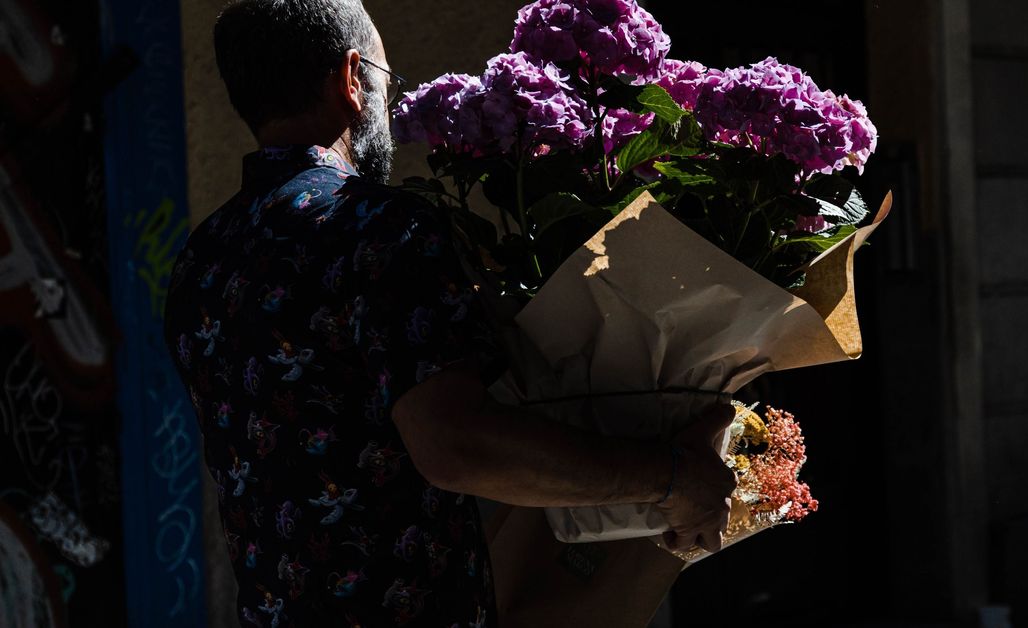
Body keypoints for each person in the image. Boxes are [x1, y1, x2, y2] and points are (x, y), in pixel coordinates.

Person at [163, 0, 735, 625]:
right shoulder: (377, 227)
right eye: (388, 80)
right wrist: (672, 479)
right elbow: (454, 445)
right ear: (351, 79)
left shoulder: (201, 261)